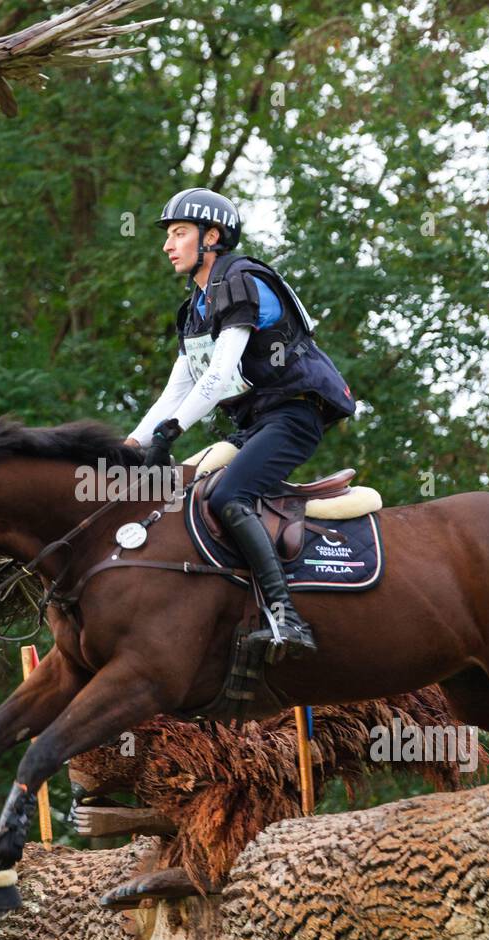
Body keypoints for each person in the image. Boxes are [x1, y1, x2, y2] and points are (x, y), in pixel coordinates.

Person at [125, 187, 357, 663]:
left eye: (178, 234)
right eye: (168, 236)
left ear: (212, 237)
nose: (167, 246)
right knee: (185, 492)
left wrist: (170, 432)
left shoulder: (239, 281)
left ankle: (286, 618)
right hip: (254, 424)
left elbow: (218, 376)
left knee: (231, 495)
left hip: (294, 414)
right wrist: (130, 444)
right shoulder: (194, 308)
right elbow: (177, 390)